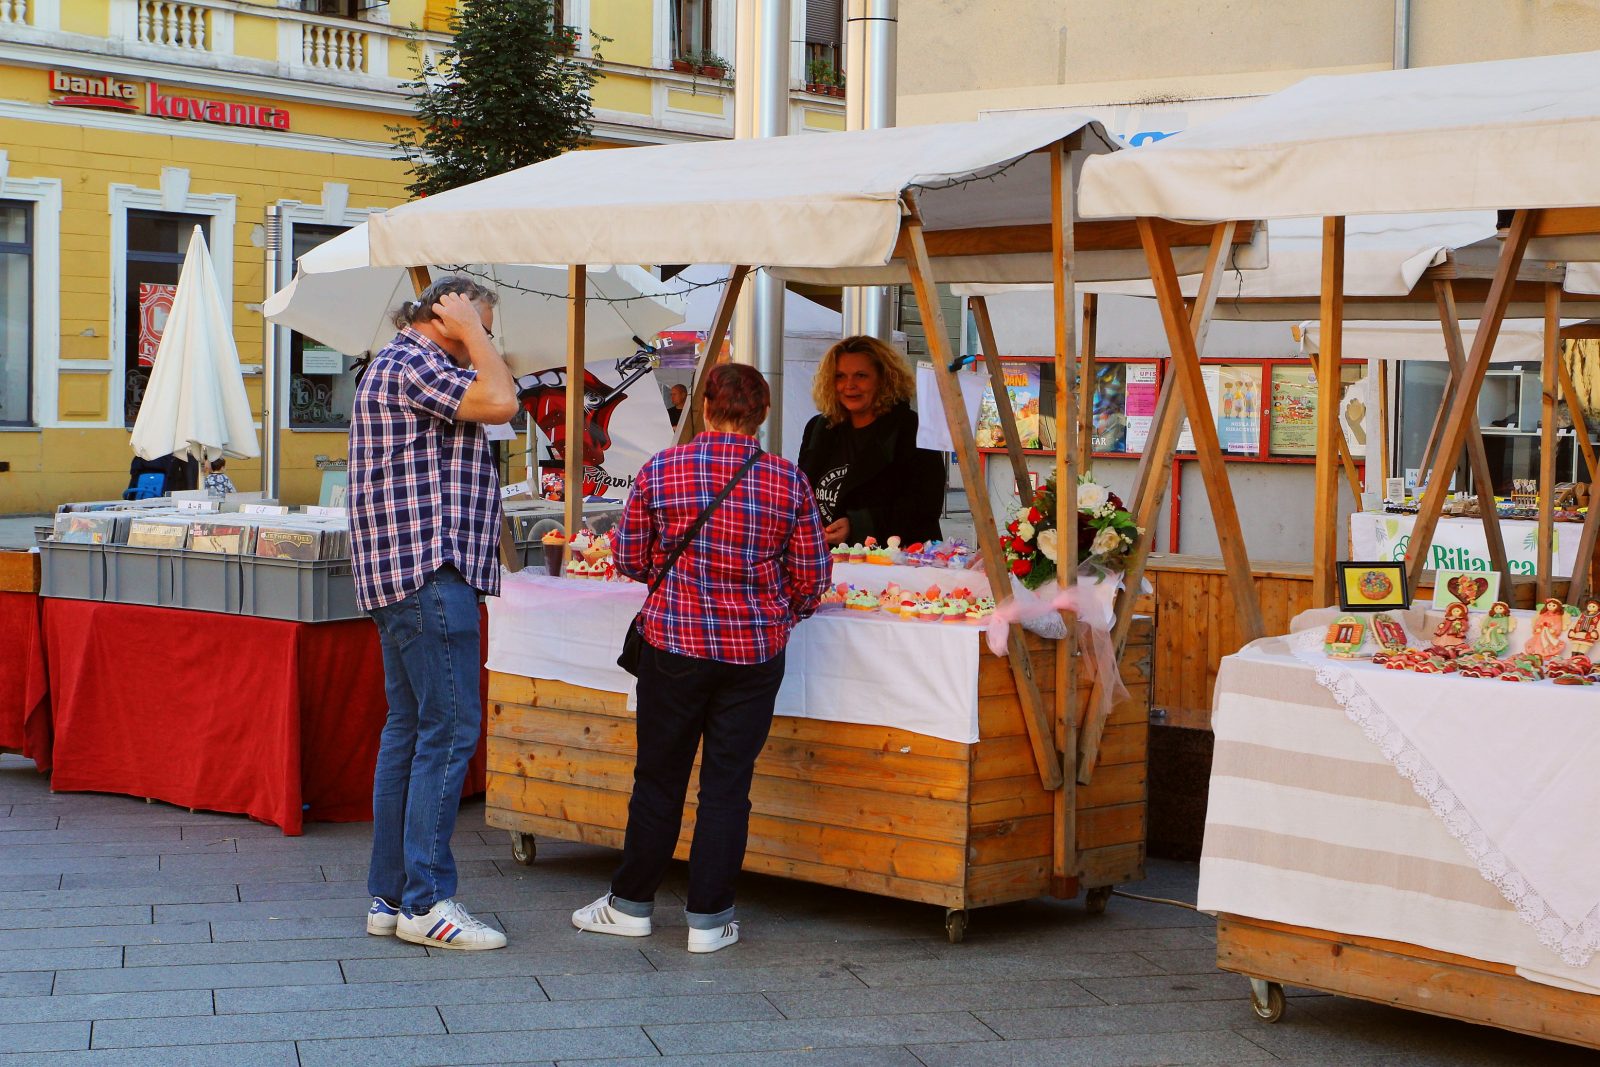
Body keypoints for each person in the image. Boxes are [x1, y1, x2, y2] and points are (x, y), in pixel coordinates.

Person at [571, 363, 830, 953]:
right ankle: (709, 921)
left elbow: (631, 557)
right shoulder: (788, 481)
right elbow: (812, 578)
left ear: (705, 407)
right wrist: (775, 612)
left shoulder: (663, 468)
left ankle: (632, 904)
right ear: (763, 414)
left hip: (673, 647)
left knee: (659, 779)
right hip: (754, 653)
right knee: (726, 787)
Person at [349, 276, 518, 951]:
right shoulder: (417, 361)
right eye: (486, 322)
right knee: (447, 731)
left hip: (406, 574)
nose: (490, 337)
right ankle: (426, 901)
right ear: (449, 313)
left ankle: (390, 897)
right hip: (429, 570)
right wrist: (474, 333)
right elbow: (502, 400)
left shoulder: (397, 363)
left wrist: (472, 335)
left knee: (412, 729)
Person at [797, 335, 946, 547]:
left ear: (884, 379)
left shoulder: (912, 429)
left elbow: (926, 506)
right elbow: (802, 492)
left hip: (893, 567)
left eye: (861, 376)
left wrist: (857, 526)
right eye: (840, 376)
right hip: (828, 563)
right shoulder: (819, 428)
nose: (849, 385)